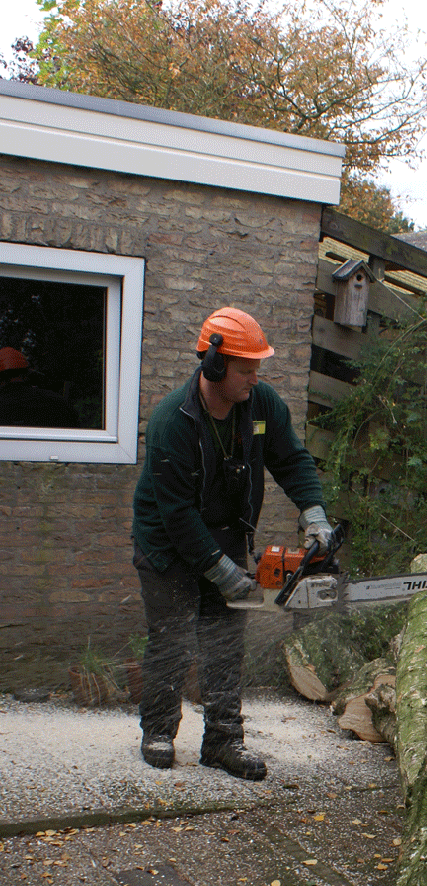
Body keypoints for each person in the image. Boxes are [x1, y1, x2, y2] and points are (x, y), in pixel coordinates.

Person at [131, 307, 333, 779]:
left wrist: (315, 514)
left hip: (224, 531)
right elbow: (177, 515)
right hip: (166, 542)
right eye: (246, 369)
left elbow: (292, 460)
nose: (255, 379)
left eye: (257, 368)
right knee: (172, 638)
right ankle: (158, 731)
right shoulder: (172, 421)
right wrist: (223, 573)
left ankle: (223, 742)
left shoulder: (260, 405)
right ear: (215, 365)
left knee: (224, 643)